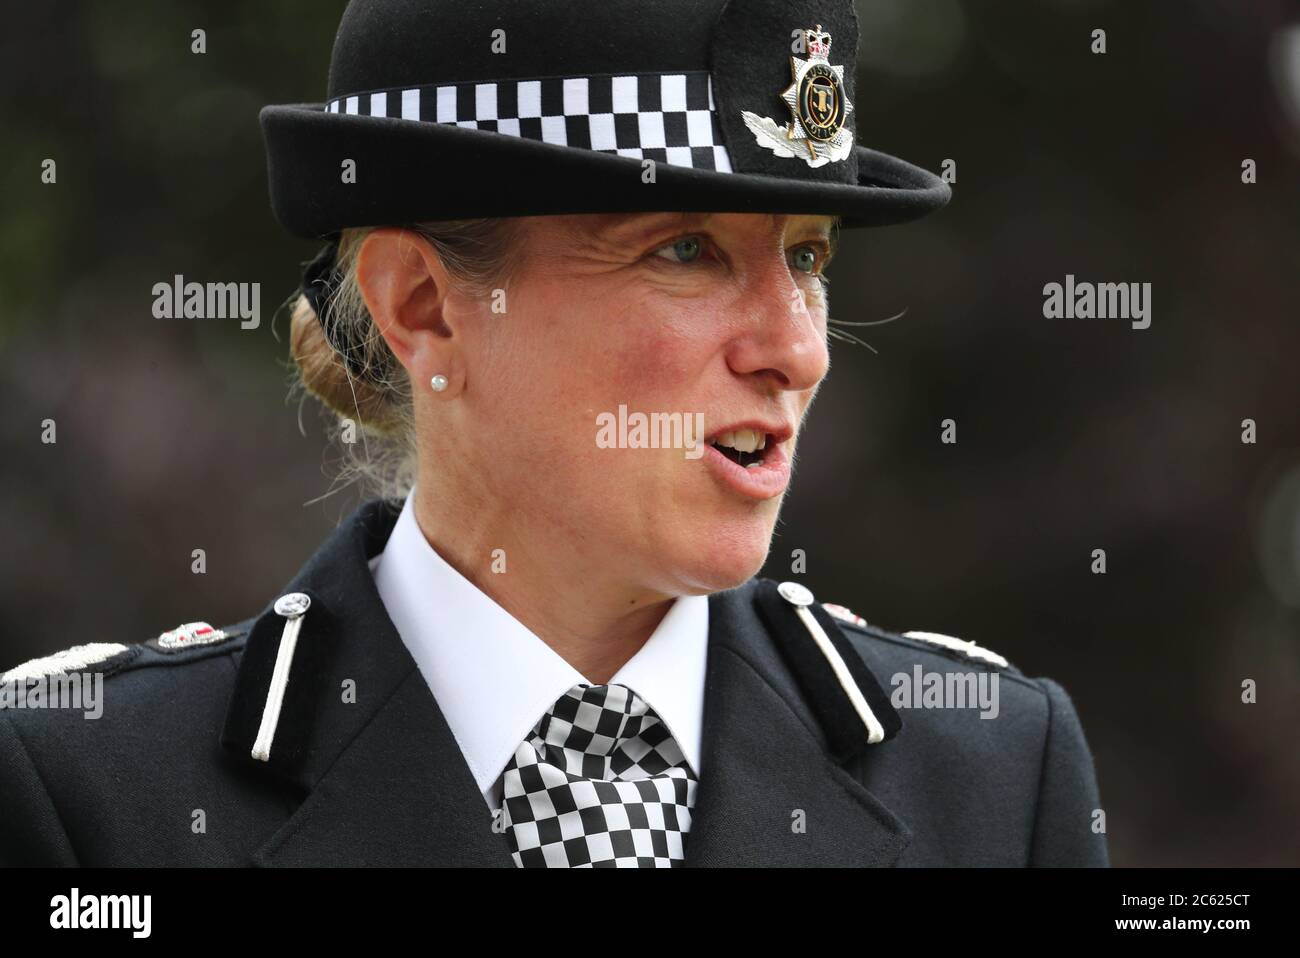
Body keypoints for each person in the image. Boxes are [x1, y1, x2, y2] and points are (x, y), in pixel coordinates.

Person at [0, 0, 1108, 867]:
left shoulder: (991, 778)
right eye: (685, 249)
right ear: (424, 307)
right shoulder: (91, 789)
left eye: (808, 256)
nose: (798, 348)